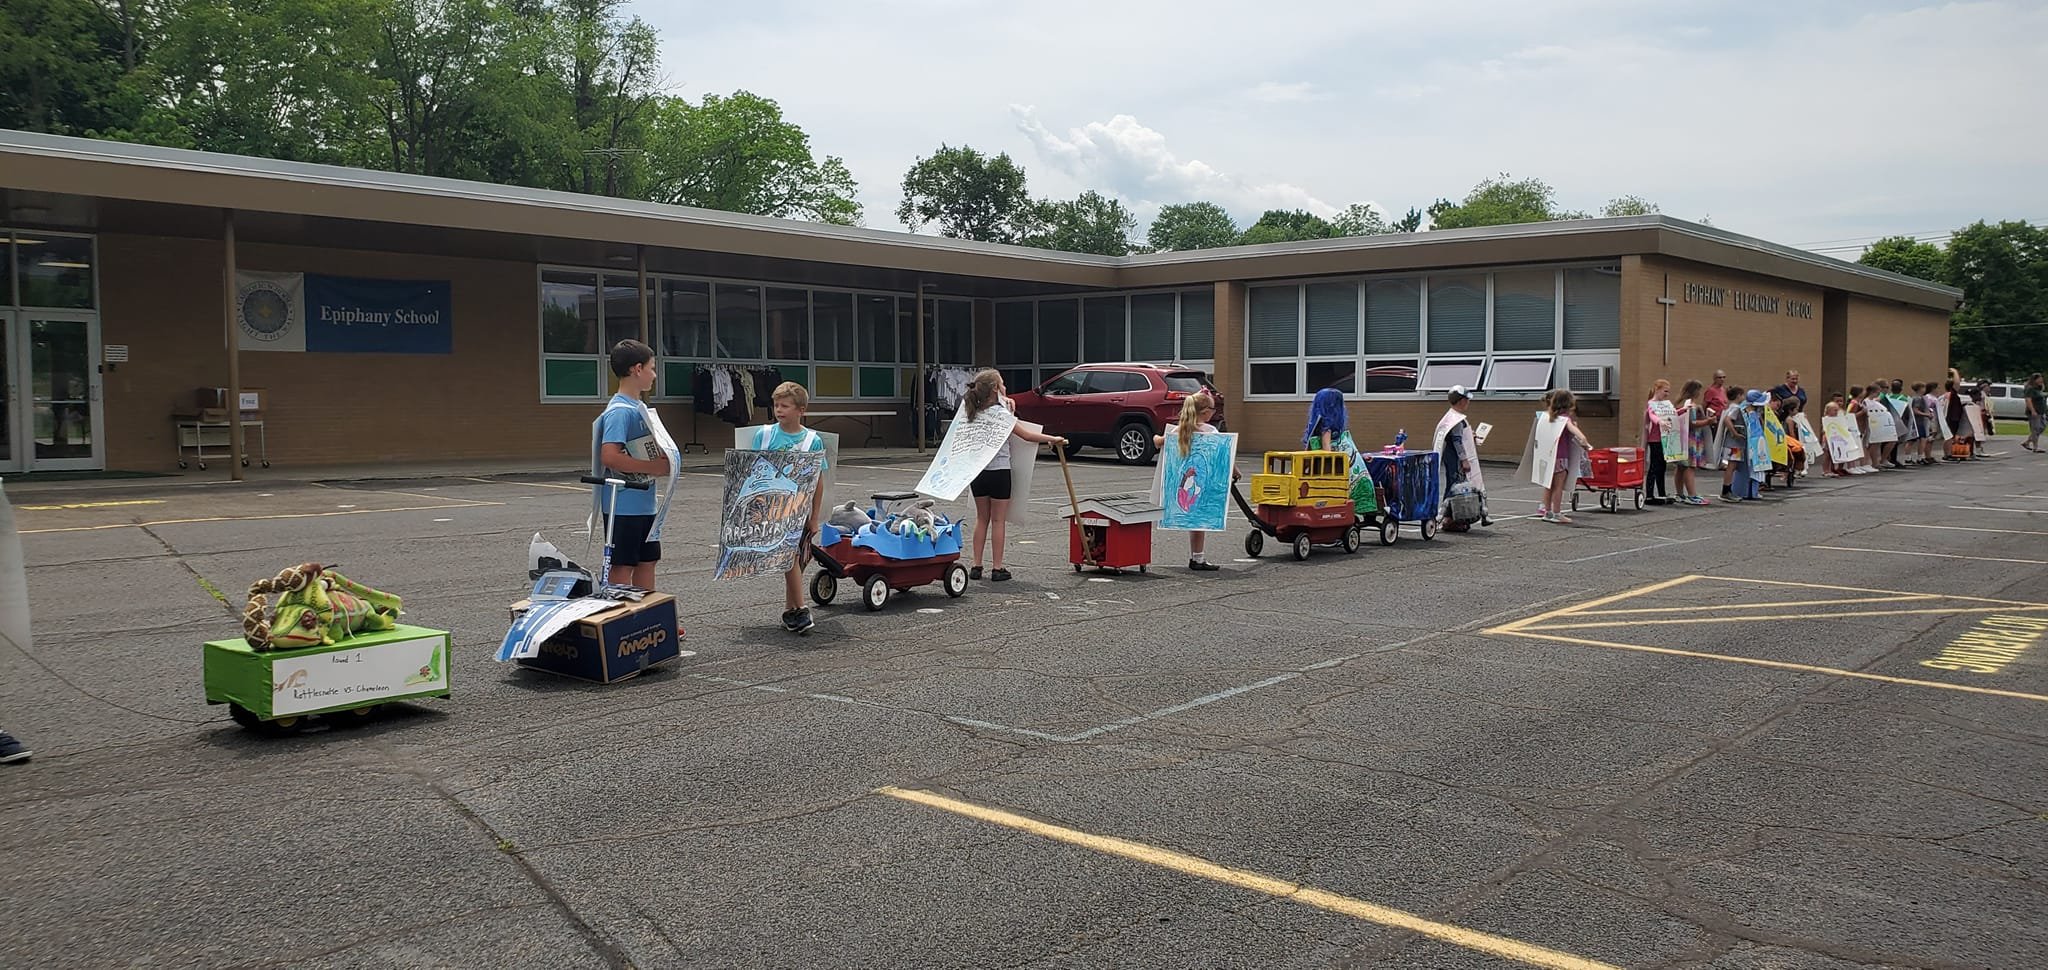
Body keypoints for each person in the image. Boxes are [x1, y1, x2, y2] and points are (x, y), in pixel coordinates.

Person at [961, 369, 1068, 582]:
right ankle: (998, 567)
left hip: (978, 472)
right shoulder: (1002, 415)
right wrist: (1053, 438)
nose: (1006, 388)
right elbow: (1026, 435)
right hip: (999, 471)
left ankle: (976, 565)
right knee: (998, 520)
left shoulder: (970, 412)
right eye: (1002, 384)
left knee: (981, 518)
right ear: (995, 389)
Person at [593, 340, 670, 592]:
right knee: (623, 565)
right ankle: (623, 622)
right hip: (623, 505)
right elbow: (610, 456)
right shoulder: (619, 412)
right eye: (652, 368)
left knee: (647, 560)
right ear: (637, 369)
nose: (654, 375)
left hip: (645, 503)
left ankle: (649, 620)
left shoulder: (640, 409)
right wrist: (653, 467)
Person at [758, 382, 829, 634]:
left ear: (801, 410)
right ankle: (800, 608)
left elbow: (818, 481)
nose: (779, 410)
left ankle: (790, 610)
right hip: (772, 508)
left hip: (798, 508)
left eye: (784, 406)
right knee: (790, 557)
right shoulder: (764, 435)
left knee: (797, 560)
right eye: (776, 405)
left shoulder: (812, 440)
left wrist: (814, 515)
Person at [1154, 390, 1227, 570]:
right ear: (1205, 412)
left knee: (1191, 514)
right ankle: (1197, 558)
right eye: (1212, 408)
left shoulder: (1179, 430)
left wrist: (1157, 437)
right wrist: (1234, 471)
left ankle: (1197, 558)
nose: (1214, 412)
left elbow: (1158, 442)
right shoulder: (1210, 431)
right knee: (1199, 520)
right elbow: (1223, 454)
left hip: (1184, 479)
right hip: (1203, 480)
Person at [1434, 385, 1492, 527]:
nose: (1468, 402)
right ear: (1461, 401)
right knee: (1455, 487)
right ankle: (1442, 518)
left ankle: (1451, 518)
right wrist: (1464, 460)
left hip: (1451, 457)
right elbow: (1456, 440)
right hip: (1455, 458)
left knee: (1455, 485)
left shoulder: (1453, 418)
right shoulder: (1456, 420)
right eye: (1467, 399)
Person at [1539, 390, 1592, 524]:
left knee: (1548, 485)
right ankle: (1557, 513)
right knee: (1558, 486)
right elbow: (1575, 432)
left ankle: (1548, 511)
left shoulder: (1547, 418)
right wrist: (1584, 440)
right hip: (1561, 457)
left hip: (1548, 456)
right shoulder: (1564, 419)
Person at [1675, 379, 1712, 504]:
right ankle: (1692, 494)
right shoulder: (1689, 405)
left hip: (1683, 438)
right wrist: (1708, 421)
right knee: (1689, 466)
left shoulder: (1682, 403)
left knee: (1681, 467)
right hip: (1690, 438)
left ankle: (1679, 494)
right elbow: (1692, 423)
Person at [1644, 379, 1674, 505]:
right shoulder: (1652, 403)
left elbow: (1674, 414)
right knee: (1655, 466)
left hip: (1664, 438)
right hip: (1655, 439)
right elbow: (1652, 416)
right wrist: (1660, 422)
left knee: (1662, 466)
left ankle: (1662, 493)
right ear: (1658, 389)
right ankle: (1649, 495)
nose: (1667, 394)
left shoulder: (1665, 404)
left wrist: (1684, 409)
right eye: (1665, 391)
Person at [2025, 372, 2046, 453]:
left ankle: (2027, 442)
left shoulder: (2038, 388)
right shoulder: (2030, 389)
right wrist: (2033, 410)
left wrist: (2041, 386)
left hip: (2041, 411)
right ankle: (2035, 447)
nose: (2041, 380)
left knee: (2042, 427)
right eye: (2039, 379)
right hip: (2035, 411)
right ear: (2035, 380)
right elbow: (2028, 400)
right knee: (2035, 429)